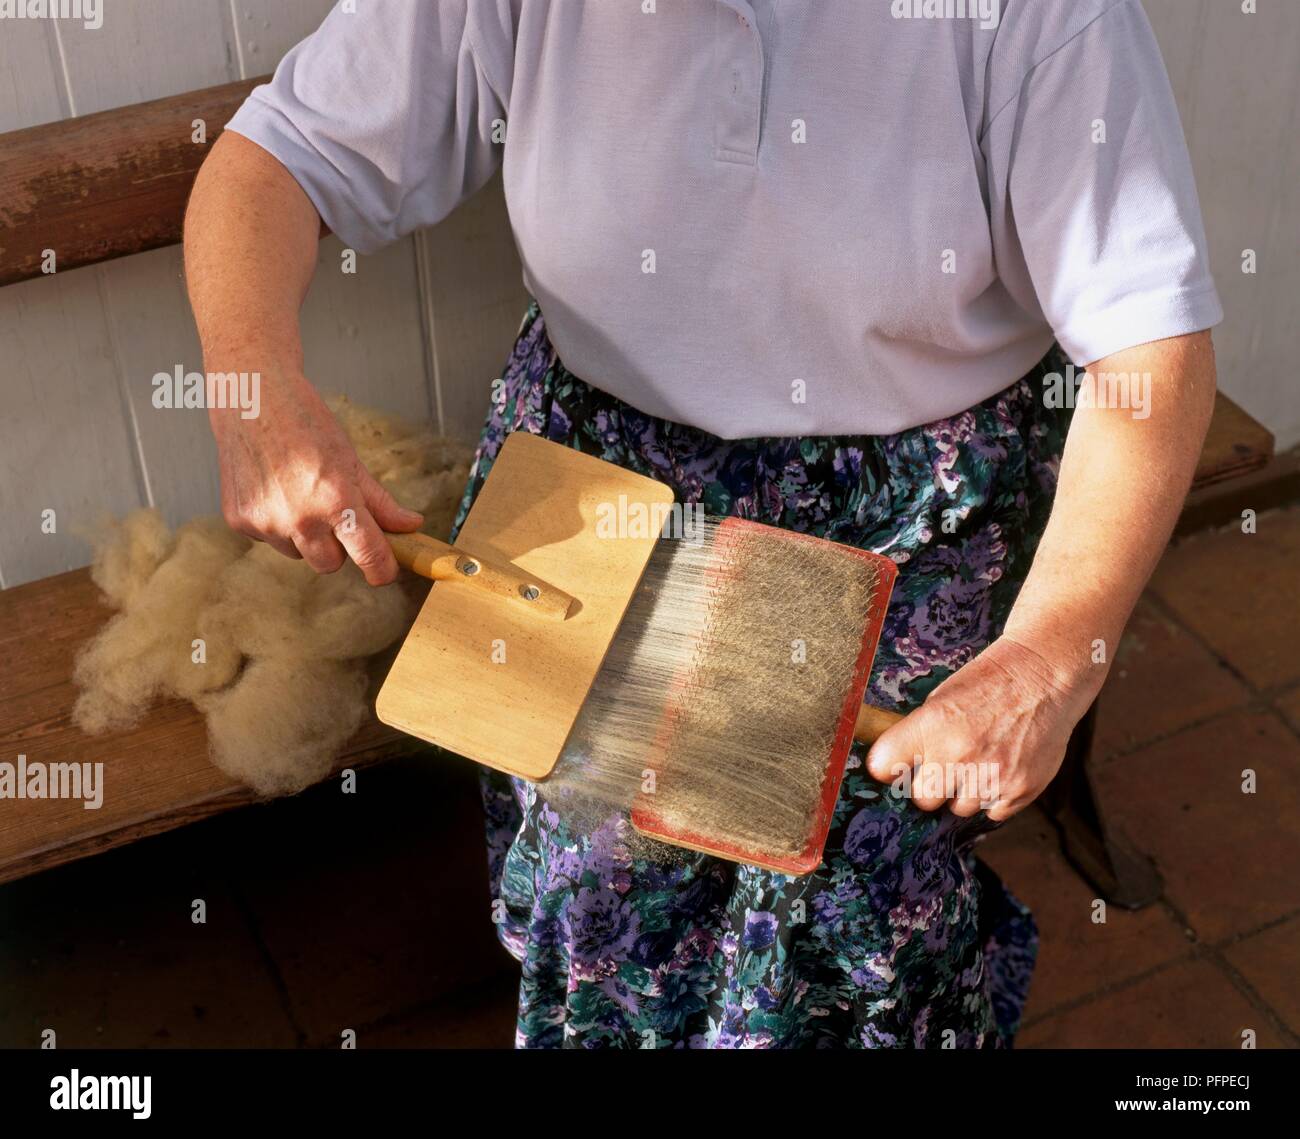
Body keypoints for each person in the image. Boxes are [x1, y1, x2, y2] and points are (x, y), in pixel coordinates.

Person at [184, 0, 1222, 1048]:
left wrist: (1047, 658)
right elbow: (279, 157)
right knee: (594, 874)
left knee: (836, 903)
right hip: (594, 487)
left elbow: (1149, 355)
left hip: (908, 506)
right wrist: (251, 382)